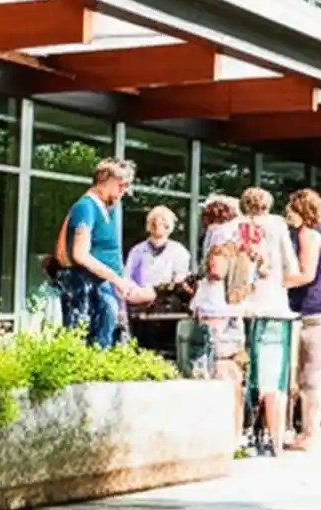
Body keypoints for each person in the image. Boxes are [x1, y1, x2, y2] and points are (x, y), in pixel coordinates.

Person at [55, 157, 151, 348]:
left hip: (105, 289)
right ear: (104, 179)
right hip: (86, 288)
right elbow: (80, 254)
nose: (123, 191)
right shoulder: (86, 207)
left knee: (109, 344)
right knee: (89, 346)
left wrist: (123, 283)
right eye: (121, 185)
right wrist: (117, 280)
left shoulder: (108, 208)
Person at [238, 187, 301, 455]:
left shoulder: (239, 226)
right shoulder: (277, 226)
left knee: (246, 372)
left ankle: (246, 431)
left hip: (245, 304)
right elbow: (292, 266)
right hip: (274, 303)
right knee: (275, 375)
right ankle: (274, 437)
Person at [284, 189, 321, 451]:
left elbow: (306, 274)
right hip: (320, 313)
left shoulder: (308, 234)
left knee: (311, 378)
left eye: (291, 207)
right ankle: (306, 431)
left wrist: (274, 283)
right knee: (310, 377)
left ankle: (309, 434)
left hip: (313, 313)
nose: (287, 212)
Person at [190, 242, 248, 448]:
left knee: (231, 383)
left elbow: (237, 317)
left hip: (228, 347)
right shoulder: (203, 287)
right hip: (206, 346)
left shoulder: (235, 290)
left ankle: (235, 436)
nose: (214, 268)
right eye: (212, 263)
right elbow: (196, 311)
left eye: (219, 264)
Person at [123, 206, 191, 290]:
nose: (157, 225)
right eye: (153, 222)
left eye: (163, 222)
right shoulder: (137, 251)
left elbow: (180, 279)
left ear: (169, 226)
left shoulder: (179, 251)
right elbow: (127, 278)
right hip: (140, 295)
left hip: (168, 296)